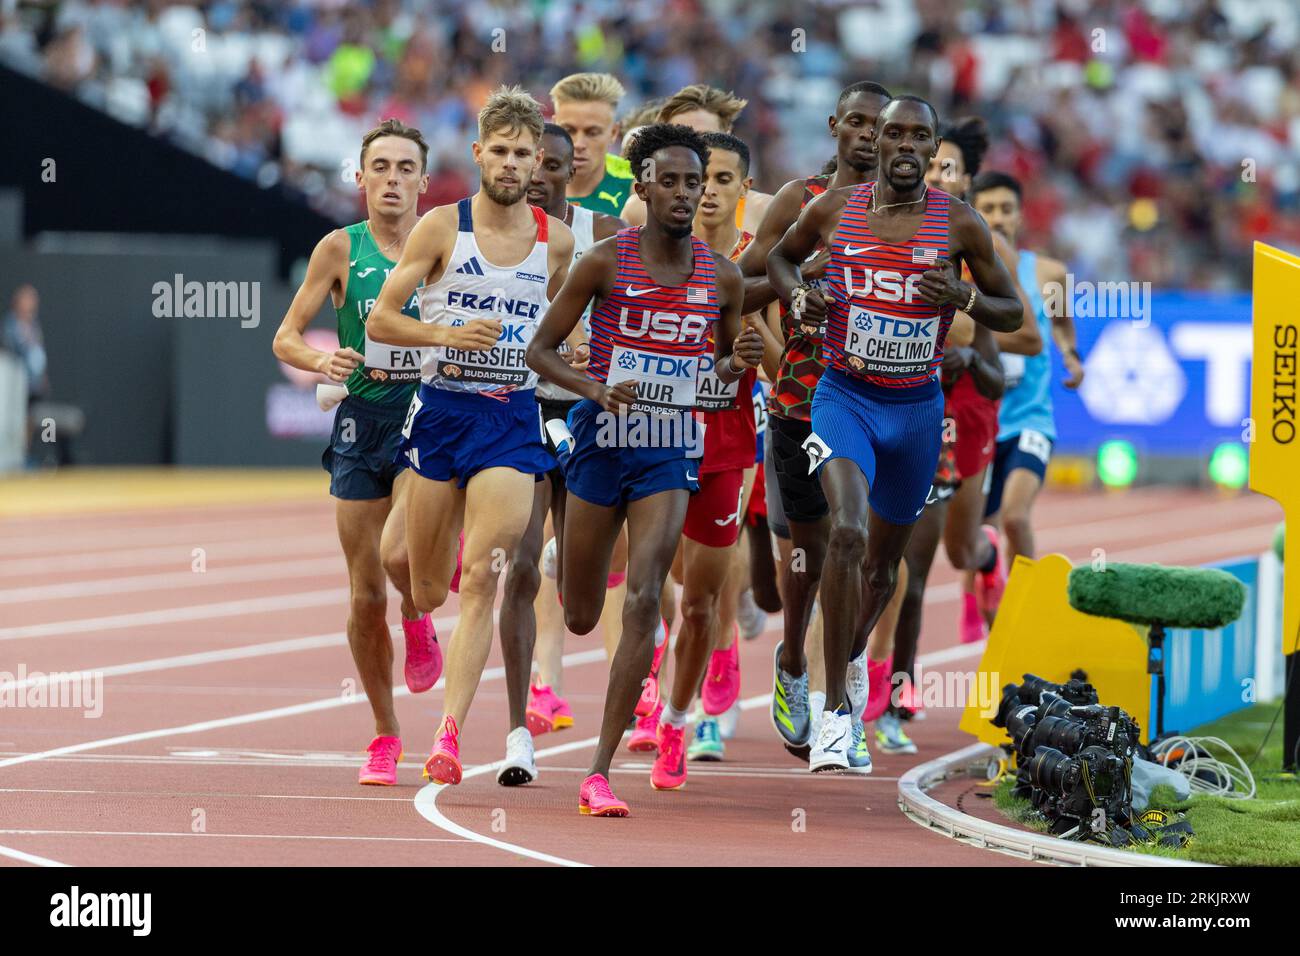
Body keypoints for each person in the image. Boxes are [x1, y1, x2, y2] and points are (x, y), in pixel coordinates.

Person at [768, 96, 1025, 772]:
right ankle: (834, 711)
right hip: (843, 395)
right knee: (845, 532)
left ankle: (851, 664)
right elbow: (778, 261)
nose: (907, 147)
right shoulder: (832, 209)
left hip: (915, 411)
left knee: (887, 568)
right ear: (878, 143)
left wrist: (962, 298)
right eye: (895, 134)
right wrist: (800, 295)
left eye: (921, 137)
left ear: (934, 149)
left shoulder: (960, 223)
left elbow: (1011, 309)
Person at [527, 123, 759, 816]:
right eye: (673, 181)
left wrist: (735, 362)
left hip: (669, 448)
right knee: (578, 612)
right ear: (644, 186)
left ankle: (598, 770)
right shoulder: (602, 261)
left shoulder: (722, 277)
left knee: (645, 595)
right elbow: (542, 352)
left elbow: (716, 363)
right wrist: (596, 390)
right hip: (600, 441)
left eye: (697, 182)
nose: (686, 194)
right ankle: (574, 594)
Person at [367, 87, 576, 787]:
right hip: (440, 413)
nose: (514, 164)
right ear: (480, 152)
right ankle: (420, 619)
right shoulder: (439, 230)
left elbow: (564, 334)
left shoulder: (558, 242)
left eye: (527, 155)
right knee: (425, 587)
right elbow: (382, 323)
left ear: (539, 163)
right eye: (503, 151)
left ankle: (449, 733)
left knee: (485, 576)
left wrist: (573, 358)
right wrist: (444, 334)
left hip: (510, 421)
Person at [270, 119, 440, 787]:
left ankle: (420, 614)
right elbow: (284, 337)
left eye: (406, 168)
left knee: (403, 559)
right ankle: (385, 734)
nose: (393, 179)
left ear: (425, 183)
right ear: (361, 178)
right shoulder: (339, 249)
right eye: (382, 167)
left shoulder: (449, 245)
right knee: (365, 593)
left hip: (426, 420)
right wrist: (322, 357)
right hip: (359, 423)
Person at [739, 81, 895, 763]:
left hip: (887, 402)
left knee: (872, 557)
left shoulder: (919, 213)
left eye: (878, 126)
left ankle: (850, 658)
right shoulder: (798, 202)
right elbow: (742, 283)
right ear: (834, 126)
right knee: (809, 553)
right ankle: (796, 663)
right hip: (804, 398)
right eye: (854, 122)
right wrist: (800, 282)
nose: (865, 135)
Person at [495, 123, 622, 760]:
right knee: (517, 570)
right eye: (529, 162)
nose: (538, 174)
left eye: (552, 165)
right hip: (519, 414)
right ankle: (519, 730)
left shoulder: (605, 235)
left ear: (572, 172)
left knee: (580, 611)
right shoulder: (489, 234)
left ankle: (564, 560)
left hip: (588, 419)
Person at [648, 131, 762, 783]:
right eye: (698, 179)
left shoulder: (754, 262)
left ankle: (681, 715)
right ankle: (650, 688)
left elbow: (774, 360)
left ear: (740, 189)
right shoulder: (637, 255)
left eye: (720, 180)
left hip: (730, 438)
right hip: (651, 439)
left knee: (700, 591)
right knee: (641, 587)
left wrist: (754, 341)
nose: (706, 192)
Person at [969, 169, 1083, 564]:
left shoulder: (1049, 274)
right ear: (974, 214)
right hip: (980, 420)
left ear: (1020, 216)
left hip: (1030, 419)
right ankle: (980, 608)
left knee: (1015, 518)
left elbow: (1064, 324)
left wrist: (1071, 355)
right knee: (979, 530)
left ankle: (1026, 602)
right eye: (988, 209)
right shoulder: (964, 270)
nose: (998, 218)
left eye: (1006, 209)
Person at [620, 85, 773, 235]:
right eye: (681, 137)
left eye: (705, 137)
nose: (692, 148)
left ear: (727, 136)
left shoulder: (763, 212)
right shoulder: (639, 210)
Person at [550, 72, 637, 218]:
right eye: (569, 130)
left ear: (614, 133)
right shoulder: (528, 186)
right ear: (554, 126)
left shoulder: (635, 188)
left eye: (592, 133)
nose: (578, 144)